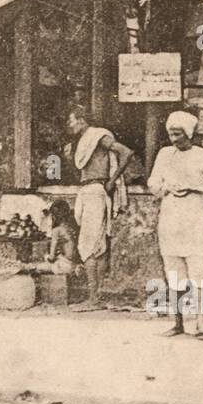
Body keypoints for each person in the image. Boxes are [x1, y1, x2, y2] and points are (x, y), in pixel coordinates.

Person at [147, 110, 203, 339]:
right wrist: (162, 189)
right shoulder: (164, 154)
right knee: (173, 273)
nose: (173, 139)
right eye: (170, 134)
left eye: (178, 134)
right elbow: (153, 182)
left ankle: (200, 324)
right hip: (171, 219)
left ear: (189, 134)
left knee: (198, 272)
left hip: (194, 220)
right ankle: (178, 322)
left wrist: (195, 187)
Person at [64, 106, 133, 308]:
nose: (70, 125)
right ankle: (96, 296)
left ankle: (94, 299)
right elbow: (85, 172)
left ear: (83, 120)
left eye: (72, 120)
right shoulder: (85, 141)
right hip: (87, 190)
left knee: (89, 246)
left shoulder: (98, 136)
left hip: (95, 191)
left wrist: (112, 181)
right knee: (97, 245)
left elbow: (126, 152)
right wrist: (69, 159)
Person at [46, 199, 80, 276]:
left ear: (54, 216)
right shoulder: (71, 228)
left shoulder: (57, 230)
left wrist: (49, 257)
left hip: (64, 265)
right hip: (74, 264)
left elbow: (51, 257)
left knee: (37, 267)